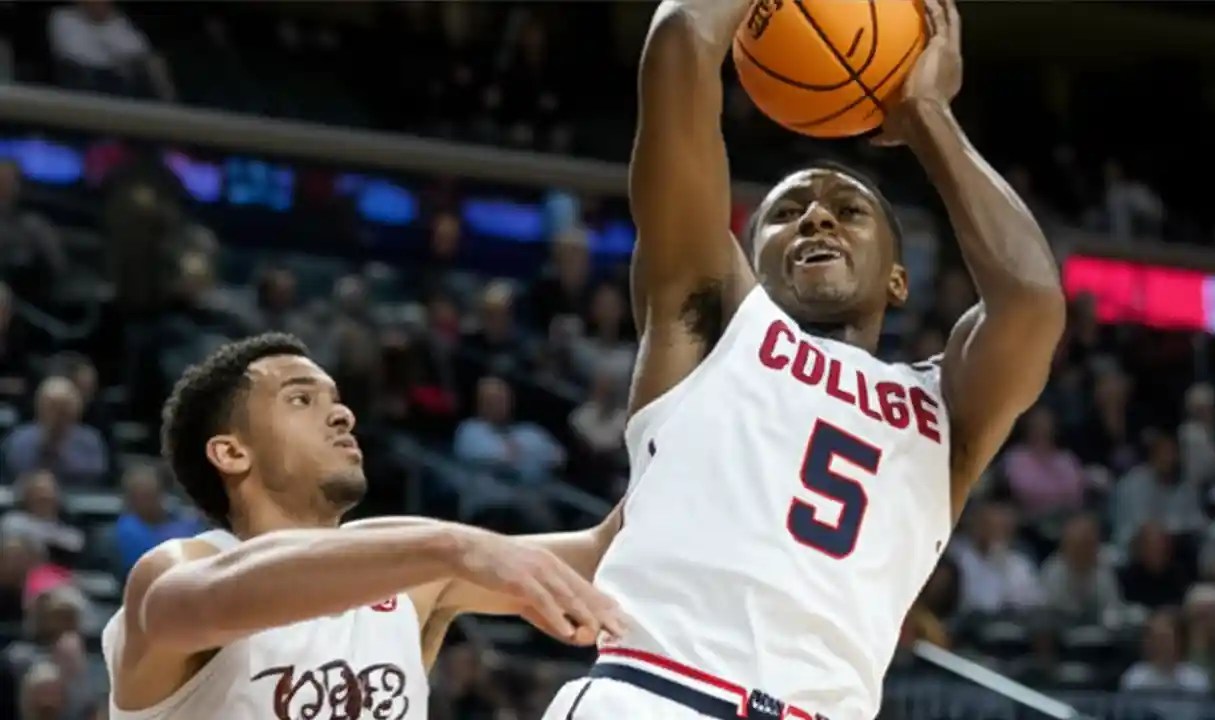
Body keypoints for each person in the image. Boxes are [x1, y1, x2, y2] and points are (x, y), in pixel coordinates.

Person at [542, 0, 1065, 717]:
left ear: (897, 279)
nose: (816, 217)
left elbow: (1032, 301)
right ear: (749, 260)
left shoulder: (947, 405)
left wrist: (926, 116)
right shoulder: (712, 323)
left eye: (848, 210)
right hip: (657, 692)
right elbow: (681, 40)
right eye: (786, 214)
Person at [103, 333, 626, 719]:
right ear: (232, 452)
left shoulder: (412, 573)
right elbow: (206, 604)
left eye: (337, 400)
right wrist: (451, 545)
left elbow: (611, 552)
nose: (343, 416)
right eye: (301, 399)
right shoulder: (180, 567)